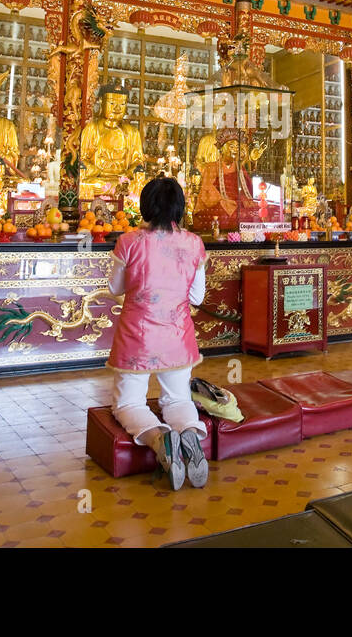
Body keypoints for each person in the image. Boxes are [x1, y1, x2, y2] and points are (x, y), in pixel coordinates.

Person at [106, 177, 209, 490]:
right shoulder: (194, 243)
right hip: (178, 336)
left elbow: (115, 288)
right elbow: (197, 298)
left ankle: (161, 440)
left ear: (145, 206)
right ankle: (189, 435)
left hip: (137, 338)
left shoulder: (129, 242)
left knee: (129, 404)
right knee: (178, 399)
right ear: (180, 207)